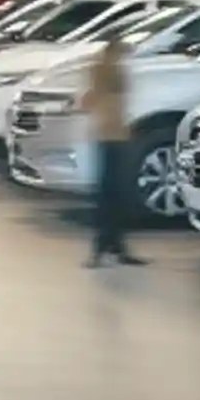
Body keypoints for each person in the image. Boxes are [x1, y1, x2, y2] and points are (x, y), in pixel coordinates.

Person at [81, 34, 147, 268]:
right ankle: (106, 246)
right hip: (110, 136)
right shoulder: (105, 70)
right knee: (111, 193)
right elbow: (90, 100)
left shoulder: (108, 69)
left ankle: (112, 245)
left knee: (113, 194)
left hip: (114, 135)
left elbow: (89, 101)